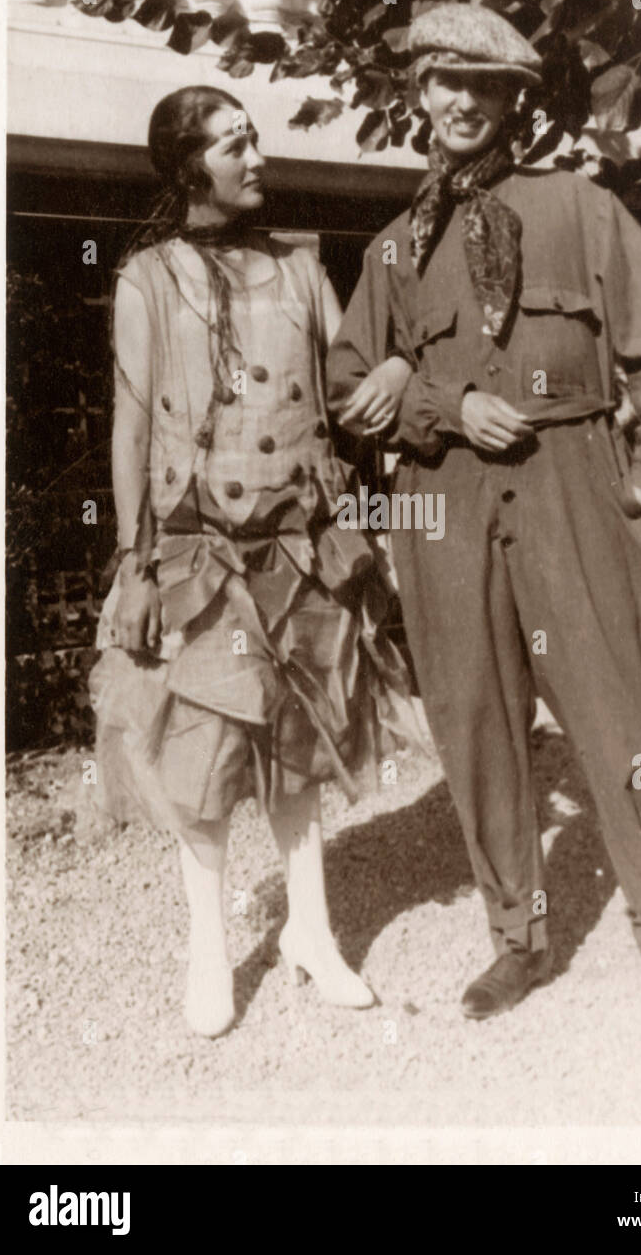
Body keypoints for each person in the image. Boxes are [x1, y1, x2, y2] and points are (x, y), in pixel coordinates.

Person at [326, 2, 641, 1036]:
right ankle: (516, 937)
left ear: (513, 99)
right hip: (441, 502)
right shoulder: (393, 250)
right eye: (440, 83)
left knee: (618, 715)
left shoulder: (579, 208)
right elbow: (347, 386)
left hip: (572, 481)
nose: (458, 102)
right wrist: (434, 400)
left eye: (481, 85)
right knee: (475, 720)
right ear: (419, 96)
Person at [90, 85, 418, 1037]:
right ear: (189, 164)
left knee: (300, 746)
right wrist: (134, 560)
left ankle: (311, 935)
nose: (255, 156)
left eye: (255, 138)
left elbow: (349, 372)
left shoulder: (302, 269)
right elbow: (129, 419)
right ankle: (206, 952)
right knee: (203, 753)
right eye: (234, 143)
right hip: (199, 556)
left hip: (303, 548)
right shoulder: (148, 278)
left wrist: (392, 373)